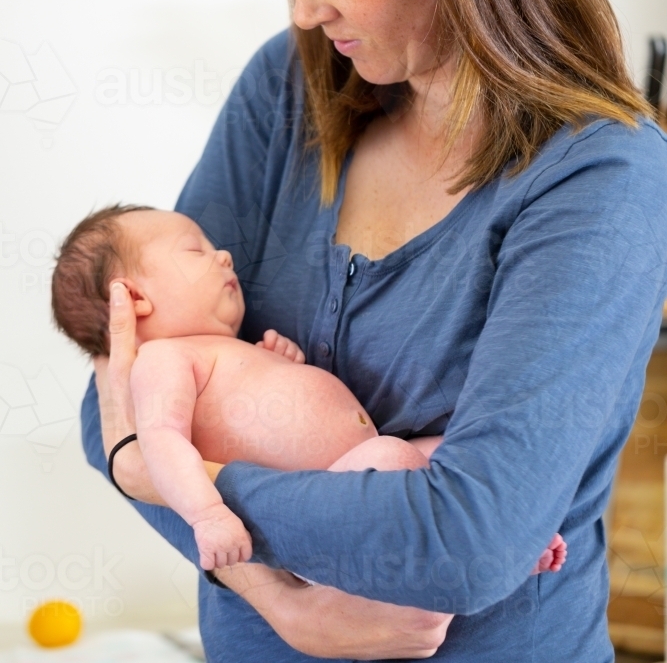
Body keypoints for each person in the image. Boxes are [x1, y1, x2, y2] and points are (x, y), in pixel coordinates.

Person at [80, 0, 667, 662]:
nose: (306, 9)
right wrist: (274, 595)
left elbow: (464, 542)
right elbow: (117, 366)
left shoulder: (602, 178)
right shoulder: (288, 90)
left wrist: (171, 470)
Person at [53, 204, 566, 583]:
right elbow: (162, 444)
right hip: (327, 510)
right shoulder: (162, 362)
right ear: (133, 298)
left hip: (363, 464)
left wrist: (280, 364)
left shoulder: (223, 348)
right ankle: (488, 554)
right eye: (196, 251)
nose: (224, 255)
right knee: (395, 460)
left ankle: (507, 537)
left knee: (448, 454)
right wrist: (206, 515)